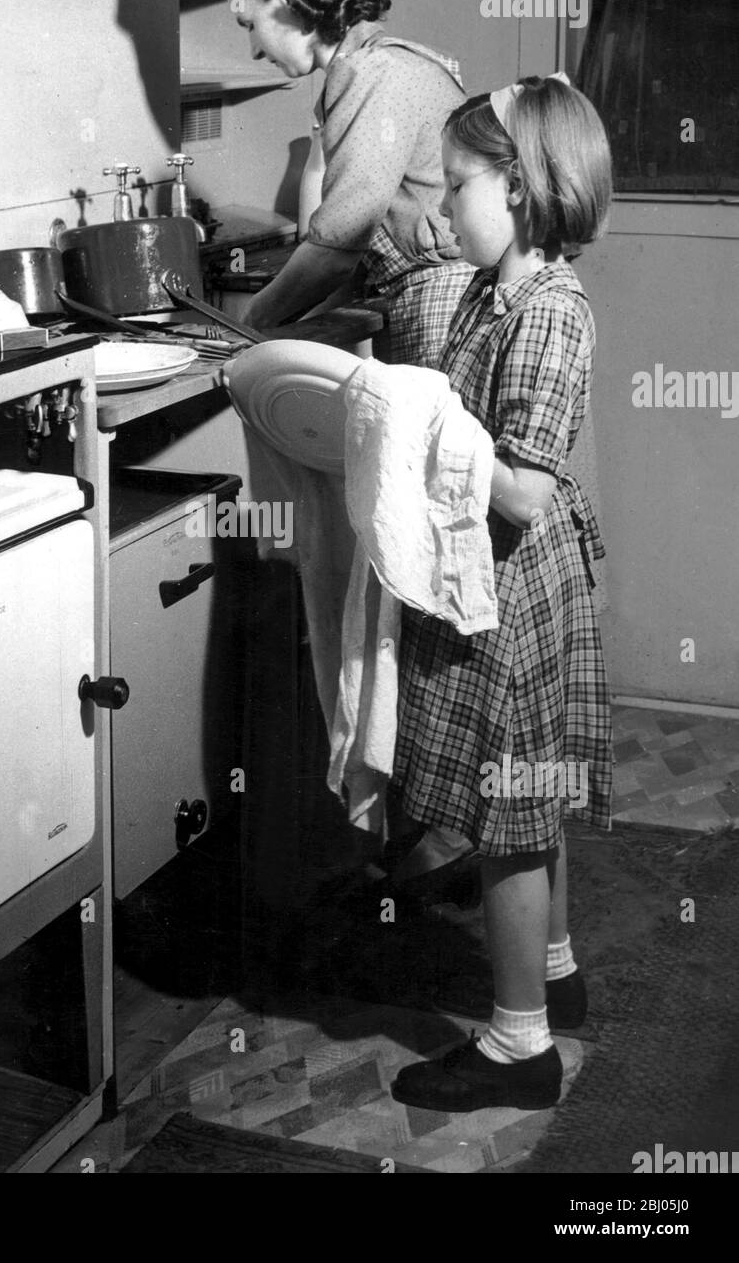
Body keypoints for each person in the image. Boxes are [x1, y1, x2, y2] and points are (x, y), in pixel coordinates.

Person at [387, 75, 614, 1112]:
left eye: (457, 185)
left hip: (515, 585)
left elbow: (520, 488)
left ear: (517, 189)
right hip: (514, 584)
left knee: (513, 815)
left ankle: (520, 1049)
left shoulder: (554, 309)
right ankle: (554, 973)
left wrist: (427, 416)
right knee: (534, 794)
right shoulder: (497, 289)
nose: (440, 207)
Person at [202, 0, 474, 365]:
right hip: (431, 301)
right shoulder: (373, 63)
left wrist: (246, 322)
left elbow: (334, 254)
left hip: (442, 308)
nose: (251, 49)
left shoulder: (370, 75)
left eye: (250, 25)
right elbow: (338, 234)